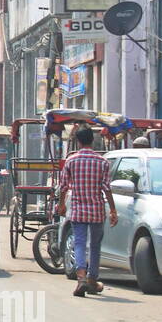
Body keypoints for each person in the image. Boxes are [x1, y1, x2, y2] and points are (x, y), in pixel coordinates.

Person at [54, 127, 118, 297]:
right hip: (97, 210)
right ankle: (92, 279)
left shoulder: (71, 161)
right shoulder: (102, 162)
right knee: (95, 245)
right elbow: (106, 189)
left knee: (80, 242)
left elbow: (64, 187)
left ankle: (81, 278)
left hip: (78, 209)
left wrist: (61, 205)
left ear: (79, 141)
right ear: (92, 140)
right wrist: (112, 210)